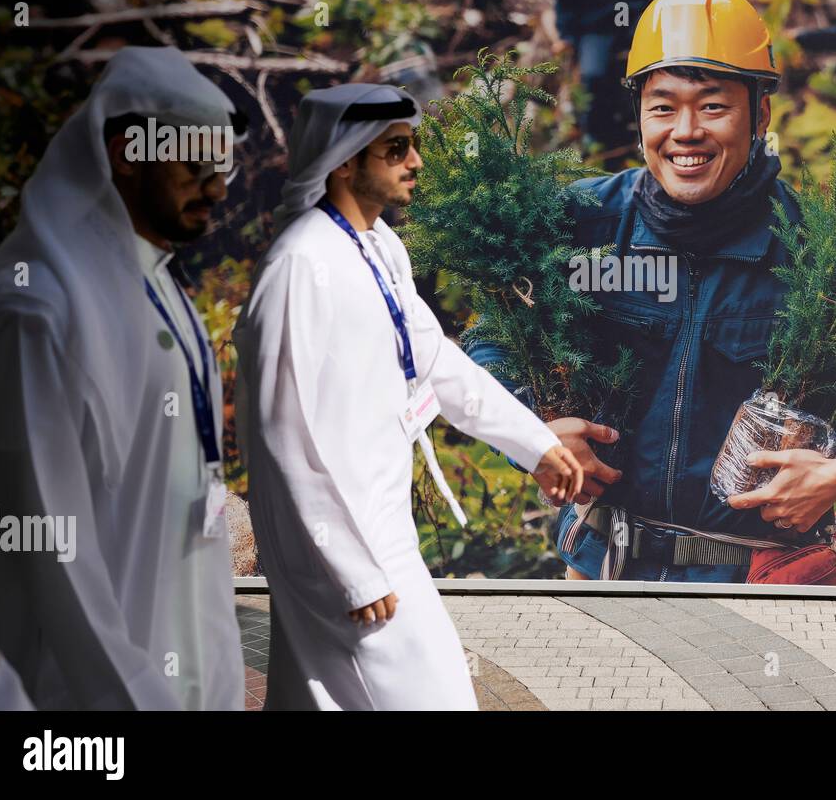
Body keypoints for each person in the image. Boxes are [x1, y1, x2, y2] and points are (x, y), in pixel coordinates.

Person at [471, 0, 836, 584]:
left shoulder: (826, 252)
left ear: (761, 114)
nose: (685, 131)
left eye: (713, 106)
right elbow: (488, 348)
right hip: (602, 573)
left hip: (760, 583)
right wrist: (528, 434)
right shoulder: (580, 224)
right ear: (640, 112)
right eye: (663, 106)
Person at [234, 83, 583, 710]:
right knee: (438, 698)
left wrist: (536, 444)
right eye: (396, 149)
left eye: (413, 146)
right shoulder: (300, 267)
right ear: (344, 159)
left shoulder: (378, 246)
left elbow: (437, 362)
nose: (416, 162)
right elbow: (280, 437)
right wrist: (350, 568)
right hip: (341, 537)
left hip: (377, 519)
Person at [0, 46, 246, 709]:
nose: (215, 188)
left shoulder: (155, 280)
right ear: (127, 152)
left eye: (223, 168)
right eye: (195, 165)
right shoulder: (36, 308)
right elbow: (52, 550)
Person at [554, 0, 657, 170]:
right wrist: (567, 34)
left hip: (629, 21)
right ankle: (592, 137)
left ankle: (638, 131)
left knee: (644, 71)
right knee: (594, 76)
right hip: (595, 26)